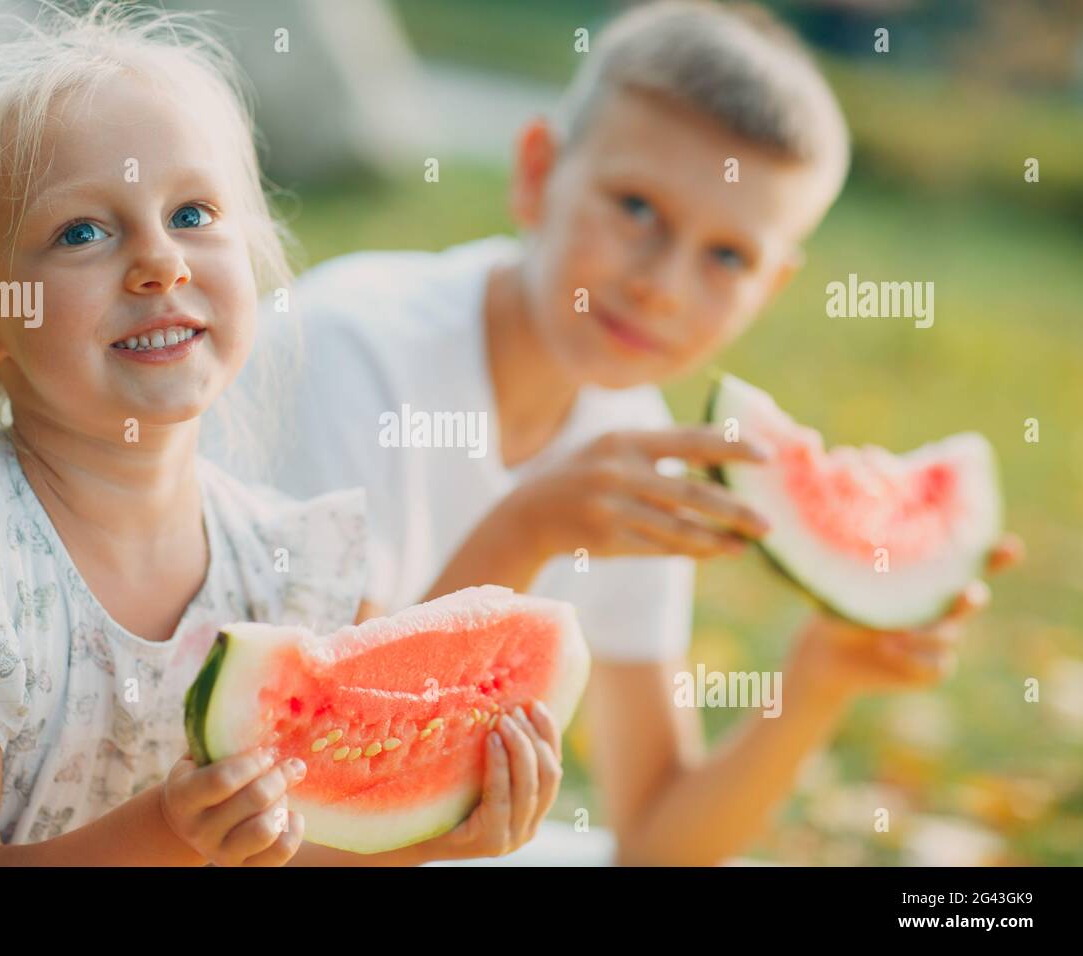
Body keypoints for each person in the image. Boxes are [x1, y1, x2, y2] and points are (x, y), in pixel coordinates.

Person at [201, 0, 1021, 865]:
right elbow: (295, 816)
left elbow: (659, 843)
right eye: (636, 207)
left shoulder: (632, 441)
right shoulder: (345, 351)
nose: (663, 285)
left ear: (771, 288)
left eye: (727, 257)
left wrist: (819, 679)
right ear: (536, 174)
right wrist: (532, 527)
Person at [0, 2, 558, 867]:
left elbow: (296, 852)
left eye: (192, 213)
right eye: (83, 232)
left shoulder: (292, 569)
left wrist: (432, 837)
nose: (163, 261)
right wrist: (165, 837)